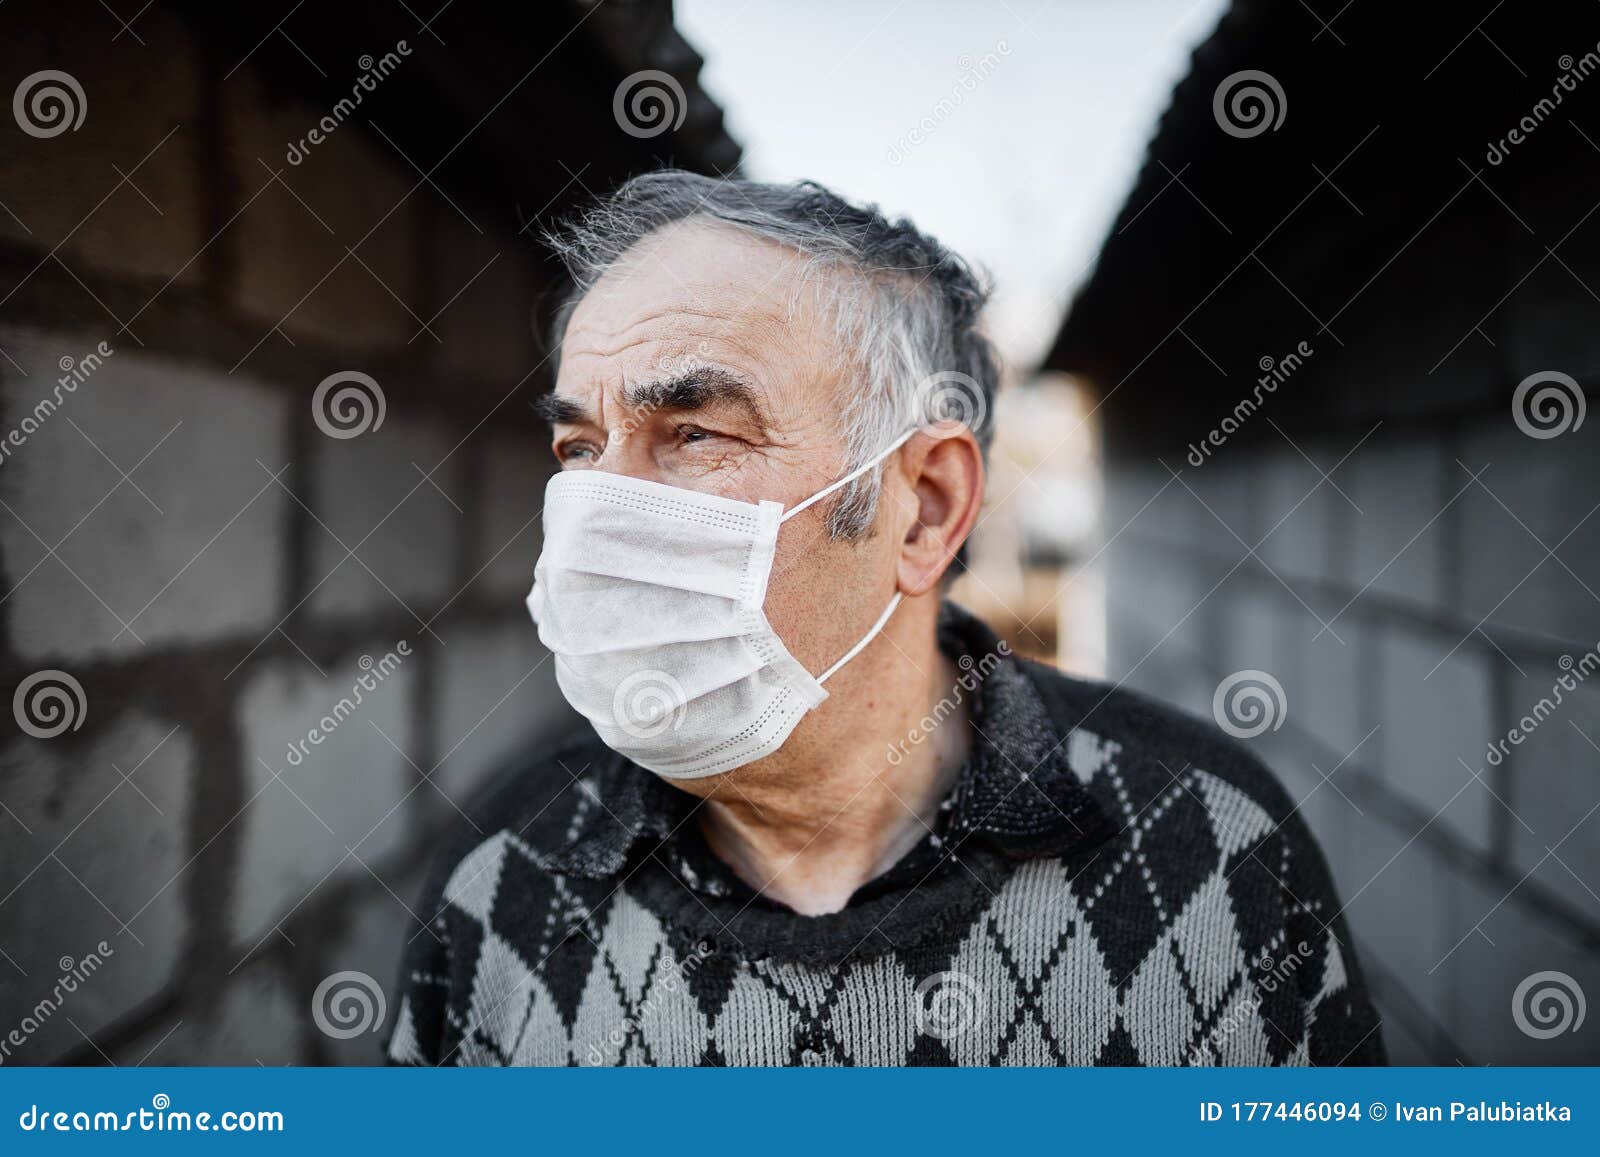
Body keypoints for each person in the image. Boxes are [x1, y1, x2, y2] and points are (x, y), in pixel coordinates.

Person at [388, 171, 1384, 1067]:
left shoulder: (1208, 846)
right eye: (580, 447)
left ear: (925, 507)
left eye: (693, 433)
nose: (598, 516)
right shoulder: (506, 869)